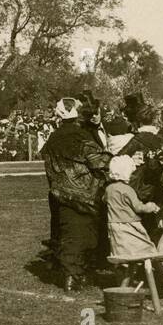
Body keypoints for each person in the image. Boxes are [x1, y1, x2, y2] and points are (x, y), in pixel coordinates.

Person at [41, 96, 109, 292]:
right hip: (84, 194)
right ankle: (74, 277)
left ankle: (72, 275)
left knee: (69, 234)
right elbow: (96, 162)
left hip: (59, 193)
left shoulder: (54, 137)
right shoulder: (80, 137)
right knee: (84, 235)